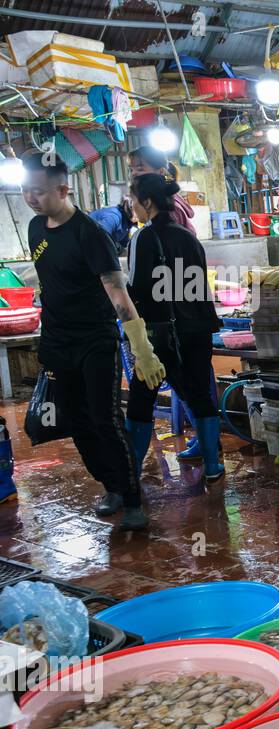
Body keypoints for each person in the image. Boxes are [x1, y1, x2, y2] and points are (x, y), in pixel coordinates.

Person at [22, 151, 166, 531]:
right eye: (25, 190)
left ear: (64, 189)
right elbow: (49, 279)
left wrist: (142, 348)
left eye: (38, 191)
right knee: (76, 420)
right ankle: (111, 486)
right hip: (57, 340)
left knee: (105, 419)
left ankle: (132, 498)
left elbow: (118, 295)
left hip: (95, 340)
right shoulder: (37, 229)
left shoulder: (90, 234)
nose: (31, 198)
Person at [123, 173, 225, 484]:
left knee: (142, 399)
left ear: (148, 202)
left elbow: (136, 289)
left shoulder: (142, 238)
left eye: (134, 200)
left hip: (160, 336)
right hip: (197, 330)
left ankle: (131, 473)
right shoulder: (189, 236)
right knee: (198, 394)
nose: (132, 207)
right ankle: (212, 466)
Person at [128, 146, 196, 235]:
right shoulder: (157, 199)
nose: (133, 174)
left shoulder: (170, 208)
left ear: (161, 172)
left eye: (140, 169)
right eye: (131, 169)